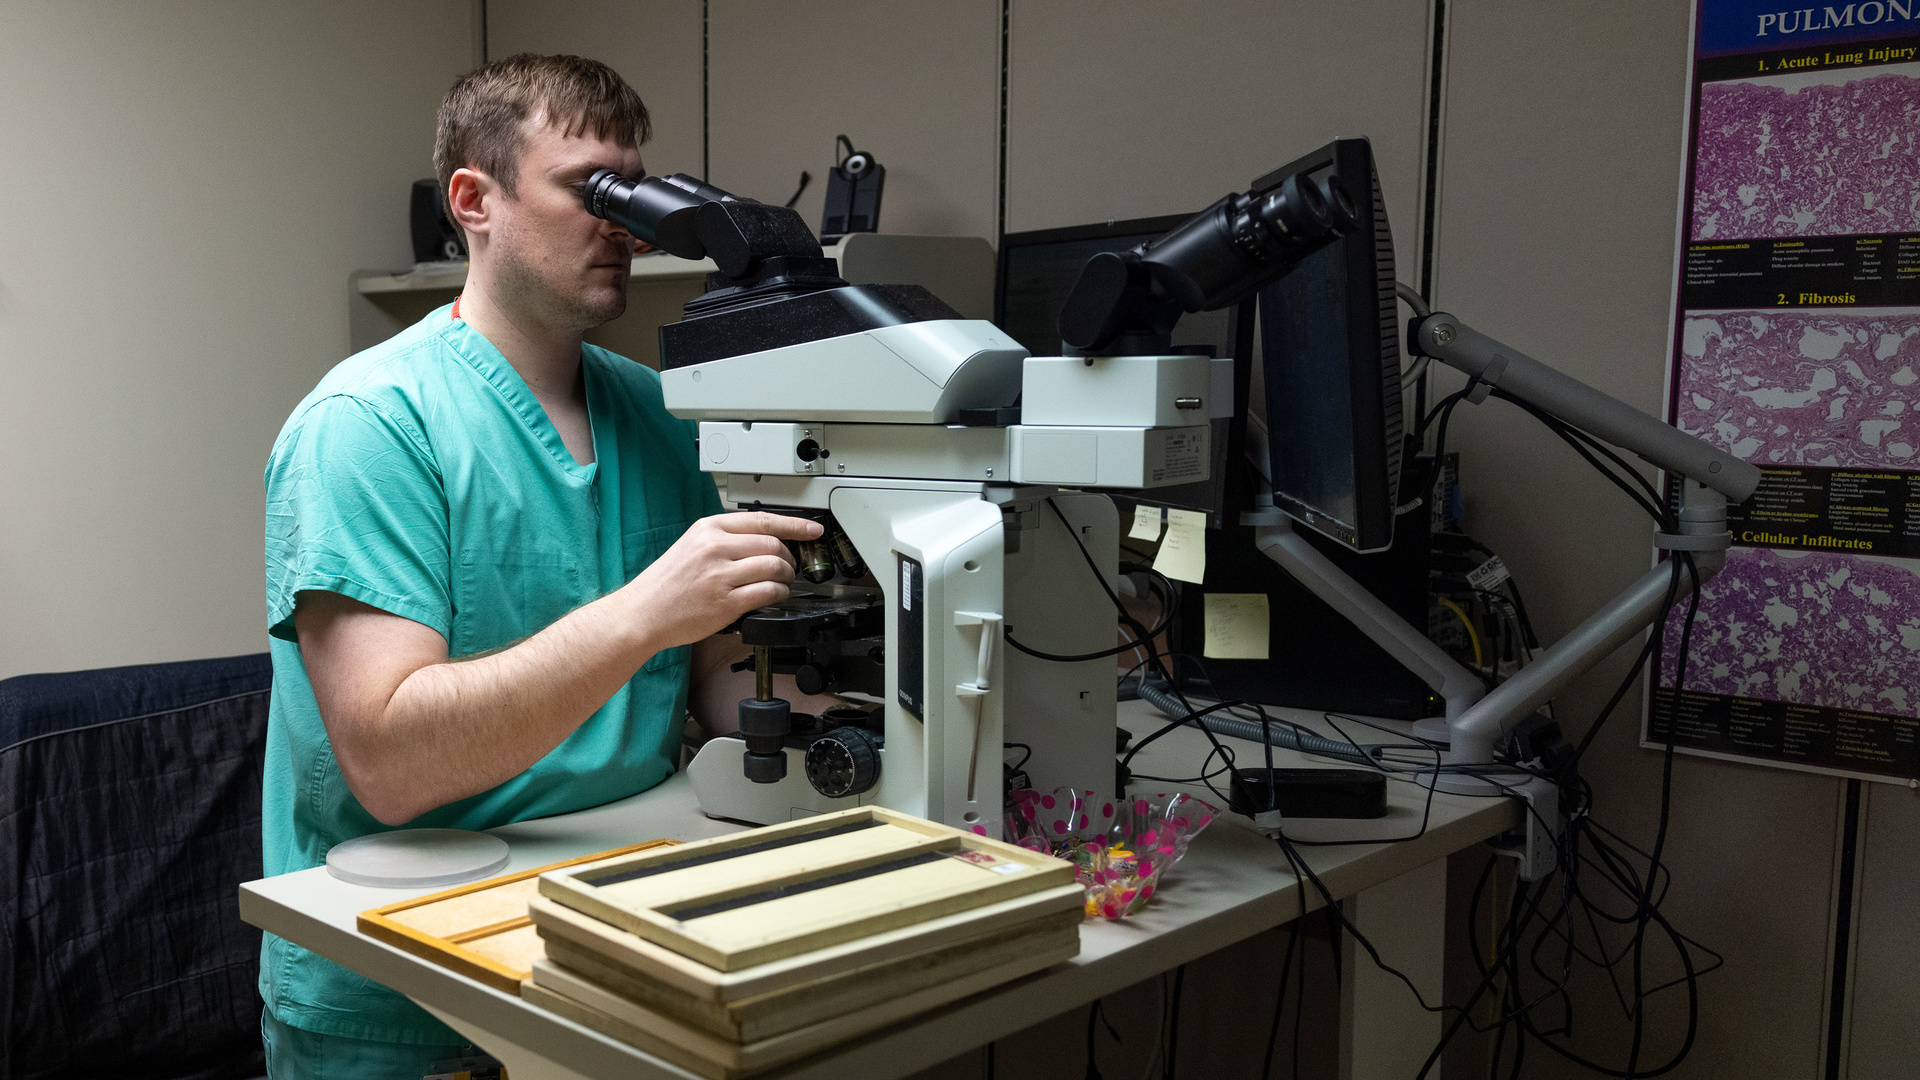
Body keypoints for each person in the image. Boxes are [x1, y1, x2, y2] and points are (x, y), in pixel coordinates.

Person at [258, 53, 818, 1078]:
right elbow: (390, 762)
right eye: (589, 190)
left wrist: (881, 734)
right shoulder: (368, 425)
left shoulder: (661, 414)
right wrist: (643, 613)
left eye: (634, 190)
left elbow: (717, 674)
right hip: (408, 964)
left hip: (625, 923)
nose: (625, 223)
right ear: (473, 201)